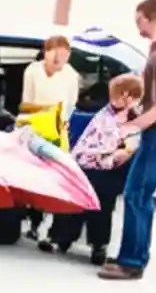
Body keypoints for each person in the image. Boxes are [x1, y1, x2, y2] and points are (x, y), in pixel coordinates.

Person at [100, 0, 156, 280]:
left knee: (137, 194)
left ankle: (131, 263)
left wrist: (130, 126)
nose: (138, 25)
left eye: (139, 20)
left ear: (151, 18)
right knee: (141, 195)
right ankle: (133, 255)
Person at [40, 74, 144, 265]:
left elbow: (132, 141)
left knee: (101, 206)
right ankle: (61, 238)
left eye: (116, 95)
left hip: (109, 168)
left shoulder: (135, 118)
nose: (112, 99)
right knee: (74, 199)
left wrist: (124, 151)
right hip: (88, 162)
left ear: (128, 96)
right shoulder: (106, 113)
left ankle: (98, 245)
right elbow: (92, 136)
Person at [20, 35, 82, 241]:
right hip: (35, 128)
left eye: (63, 58)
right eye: (54, 57)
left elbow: (71, 106)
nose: (58, 62)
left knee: (54, 178)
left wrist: (59, 122)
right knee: (33, 178)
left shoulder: (71, 76)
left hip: (57, 131)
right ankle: (33, 222)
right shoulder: (33, 71)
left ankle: (49, 229)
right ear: (45, 53)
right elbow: (26, 102)